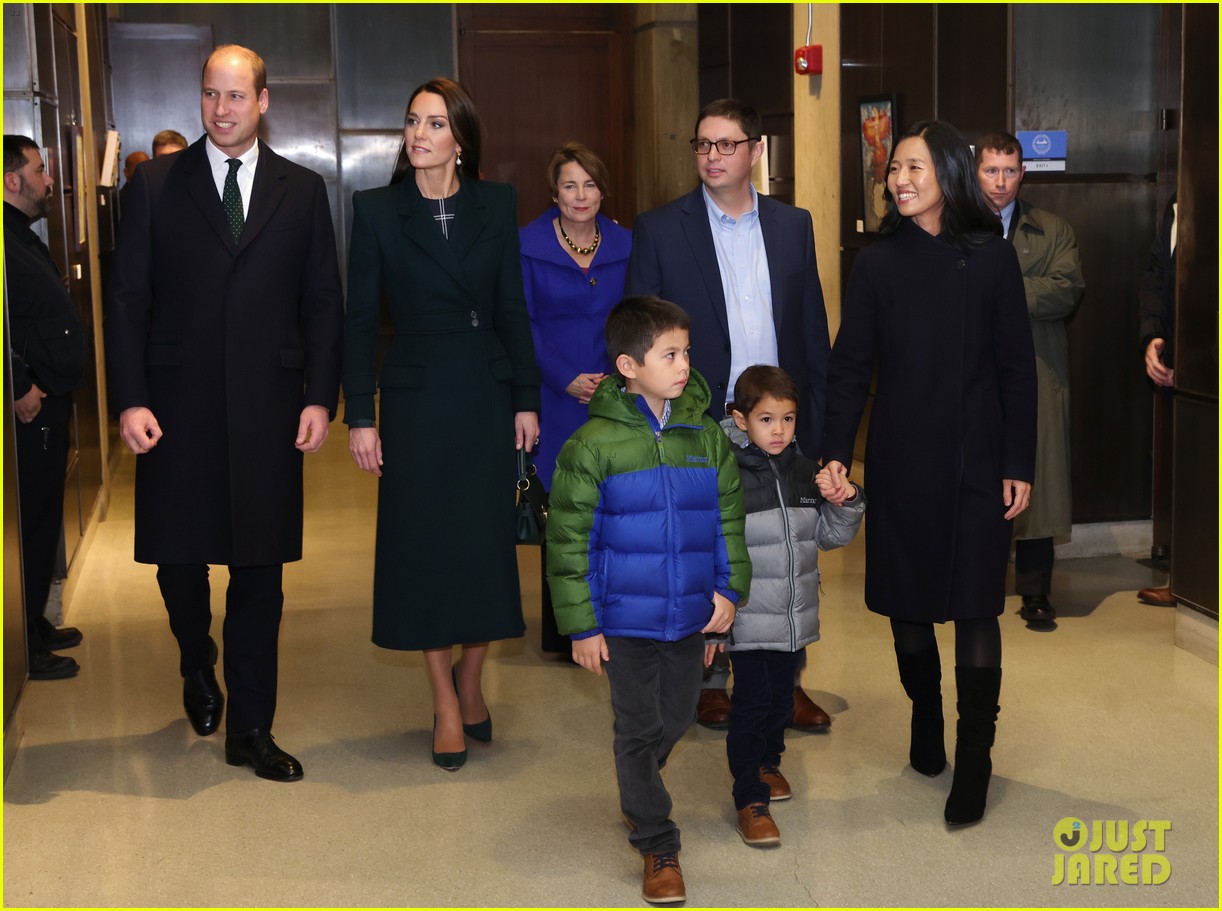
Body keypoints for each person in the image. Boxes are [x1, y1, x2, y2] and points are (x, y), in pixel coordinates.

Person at [107, 45, 344, 782]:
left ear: (263, 101)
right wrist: (130, 397)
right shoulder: (155, 186)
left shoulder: (302, 190)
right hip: (175, 409)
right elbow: (128, 301)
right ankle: (195, 657)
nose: (222, 109)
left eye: (236, 96)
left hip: (270, 409)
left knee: (259, 574)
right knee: (178, 560)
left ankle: (251, 728)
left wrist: (319, 395)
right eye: (211, 94)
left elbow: (322, 303)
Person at [822, 120, 1036, 826]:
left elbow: (1017, 368)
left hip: (980, 460)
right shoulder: (878, 264)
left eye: (913, 166)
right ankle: (926, 710)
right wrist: (834, 451)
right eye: (894, 169)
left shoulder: (992, 257)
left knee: (977, 604)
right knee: (907, 605)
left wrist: (1018, 461)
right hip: (903, 457)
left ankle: (975, 757)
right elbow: (850, 367)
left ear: (947, 171)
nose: (899, 179)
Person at [342, 77, 540, 772]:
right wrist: (360, 415)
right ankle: (445, 702)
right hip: (416, 400)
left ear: (461, 139)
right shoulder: (376, 210)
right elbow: (359, 321)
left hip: (484, 392)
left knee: (482, 544)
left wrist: (526, 397)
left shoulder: (497, 202)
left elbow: (512, 306)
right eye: (412, 122)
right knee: (425, 548)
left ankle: (471, 677)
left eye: (434, 123)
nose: (419, 134)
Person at [627, 97, 832, 731]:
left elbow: (811, 329)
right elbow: (639, 335)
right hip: (704, 419)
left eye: (726, 144)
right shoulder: (662, 228)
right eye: (703, 144)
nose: (712, 156)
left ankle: (784, 681)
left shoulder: (793, 225)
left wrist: (820, 429)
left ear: (756, 150)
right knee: (712, 550)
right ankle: (710, 680)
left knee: (785, 552)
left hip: (778, 422)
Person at [546, 295, 749, 904]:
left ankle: (637, 782)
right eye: (669, 354)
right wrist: (583, 627)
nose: (684, 365)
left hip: (689, 614)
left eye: (686, 352)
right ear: (629, 366)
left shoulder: (707, 437)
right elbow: (568, 542)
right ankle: (658, 840)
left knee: (679, 715)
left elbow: (727, 521)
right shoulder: (591, 446)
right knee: (637, 728)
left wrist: (726, 593)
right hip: (624, 620)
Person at [723, 365, 865, 847]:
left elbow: (827, 537)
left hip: (793, 620)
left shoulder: (806, 471)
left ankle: (769, 764)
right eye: (766, 419)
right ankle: (749, 798)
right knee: (751, 705)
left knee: (782, 701)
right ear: (740, 419)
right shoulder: (727, 477)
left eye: (788, 419)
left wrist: (846, 501)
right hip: (748, 620)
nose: (779, 430)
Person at [519, 141, 631, 654]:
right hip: (554, 396)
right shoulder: (526, 245)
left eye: (590, 184)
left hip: (616, 394)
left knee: (614, 506)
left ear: (603, 191)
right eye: (570, 185)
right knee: (564, 510)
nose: (581, 195)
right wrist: (563, 377)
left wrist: (617, 375)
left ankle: (616, 621)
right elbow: (522, 323)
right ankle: (567, 630)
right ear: (554, 192)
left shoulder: (629, 244)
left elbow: (638, 316)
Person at [976, 131, 1085, 627]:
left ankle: (1036, 590)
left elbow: (1067, 291)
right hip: (974, 372)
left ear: (1023, 174)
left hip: (1037, 368)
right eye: (991, 170)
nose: (1000, 182)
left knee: (1039, 474)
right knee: (980, 474)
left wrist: (999, 288)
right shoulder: (955, 226)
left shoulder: (1053, 229)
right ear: (975, 172)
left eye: (1009, 171)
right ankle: (980, 580)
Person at [4, 134, 87, 680]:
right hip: (29, 405)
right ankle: (24, 645)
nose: (49, 180)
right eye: (39, 170)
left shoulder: (21, 235)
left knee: (42, 518)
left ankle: (34, 621)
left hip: (49, 399)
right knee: (31, 522)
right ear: (12, 179)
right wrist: (19, 386)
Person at [1136, 193, 1177, 607]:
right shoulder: (1181, 200)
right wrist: (1154, 335)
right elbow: (1158, 274)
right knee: (1193, 474)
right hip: (1181, 360)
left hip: (1207, 359)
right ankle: (1191, 580)